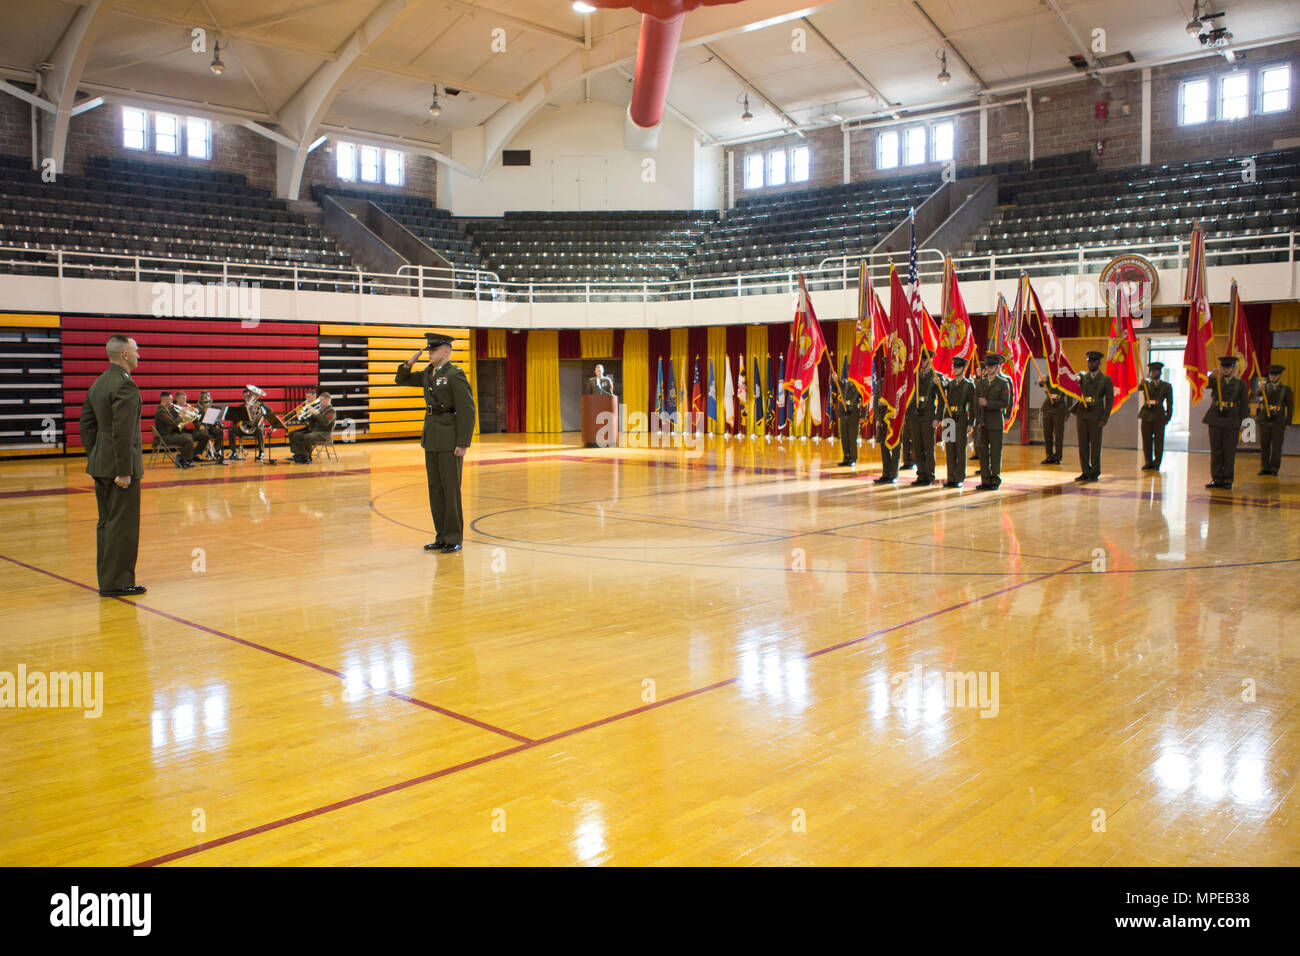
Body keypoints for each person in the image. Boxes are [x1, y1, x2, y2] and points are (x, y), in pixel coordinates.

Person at [395, 333, 476, 552]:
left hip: (450, 438)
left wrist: (463, 442)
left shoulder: (454, 374)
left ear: (447, 350)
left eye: (434, 349)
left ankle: (453, 538)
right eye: (428, 349)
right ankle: (441, 536)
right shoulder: (428, 373)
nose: (429, 352)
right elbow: (401, 379)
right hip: (431, 437)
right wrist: (410, 362)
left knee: (450, 490)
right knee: (435, 490)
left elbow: (467, 410)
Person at [79, 334, 146, 597]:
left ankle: (107, 580)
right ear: (125, 355)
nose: (139, 355)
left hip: (101, 463)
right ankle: (118, 583)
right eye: (136, 350)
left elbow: (86, 425)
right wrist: (123, 470)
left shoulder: (98, 383)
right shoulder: (125, 386)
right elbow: (123, 432)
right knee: (123, 525)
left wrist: (97, 454)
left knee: (106, 522)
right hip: (120, 468)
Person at [1204, 355, 1248, 489]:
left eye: (1229, 367)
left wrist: (1244, 422)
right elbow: (1204, 384)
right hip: (1216, 418)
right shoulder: (1216, 380)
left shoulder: (1240, 384)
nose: (1226, 370)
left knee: (1229, 452)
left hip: (1232, 419)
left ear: (1234, 368)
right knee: (1216, 450)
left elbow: (1244, 405)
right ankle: (1216, 478)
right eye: (1224, 367)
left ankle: (1228, 479)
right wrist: (1211, 375)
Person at [1073, 350, 1114, 483]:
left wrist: (1105, 418)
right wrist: (1076, 379)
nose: (1091, 364)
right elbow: (1073, 388)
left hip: (1096, 415)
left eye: (1093, 361)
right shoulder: (1083, 378)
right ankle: (1085, 471)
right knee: (1083, 445)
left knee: (1095, 445)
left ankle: (1095, 472)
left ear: (1099, 363)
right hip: (1083, 414)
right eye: (1089, 361)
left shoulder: (1105, 379)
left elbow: (1109, 400)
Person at [974, 353, 1011, 490]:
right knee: (983, 452)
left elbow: (1005, 403)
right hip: (982, 422)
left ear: (997, 367)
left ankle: (995, 480)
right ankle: (985, 479)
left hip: (995, 422)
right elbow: (975, 403)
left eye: (992, 366)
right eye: (988, 366)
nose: (988, 369)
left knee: (995, 453)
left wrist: (988, 403)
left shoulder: (1003, 383)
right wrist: (976, 420)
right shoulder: (981, 383)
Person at [907, 350, 942, 485]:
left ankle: (929, 475)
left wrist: (938, 418)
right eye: (921, 359)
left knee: (928, 447)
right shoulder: (916, 375)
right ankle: (920, 474)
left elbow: (942, 399)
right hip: (916, 416)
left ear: (931, 360)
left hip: (928, 416)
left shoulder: (935, 377)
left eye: (925, 360)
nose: (922, 362)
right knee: (917, 446)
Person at [942, 357, 977, 487]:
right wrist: (939, 382)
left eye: (957, 367)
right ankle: (950, 477)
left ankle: (959, 478)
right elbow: (941, 387)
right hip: (949, 419)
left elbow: (972, 406)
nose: (955, 369)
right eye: (954, 367)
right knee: (950, 449)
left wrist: (970, 422)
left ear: (963, 369)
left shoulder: (968, 385)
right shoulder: (950, 384)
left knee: (960, 450)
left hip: (961, 419)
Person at [1257, 364, 1294, 476]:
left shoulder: (1286, 390)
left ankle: (1274, 468)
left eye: (1275, 375)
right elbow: (1258, 400)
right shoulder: (1264, 389)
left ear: (1280, 376)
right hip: (1265, 421)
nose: (1272, 377)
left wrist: (1288, 422)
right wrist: (1259, 392)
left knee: (1277, 446)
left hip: (1278, 421)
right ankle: (1265, 467)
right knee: (1264, 445)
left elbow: (1290, 407)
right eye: (1271, 375)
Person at [1137, 362, 1174, 470]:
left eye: (1156, 371)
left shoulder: (1166, 386)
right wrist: (1141, 383)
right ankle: (1148, 462)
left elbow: (1170, 402)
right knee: (1147, 441)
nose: (1153, 373)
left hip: (1159, 415)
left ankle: (1157, 463)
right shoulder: (1146, 384)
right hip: (1147, 415)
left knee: (1158, 441)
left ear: (1160, 372)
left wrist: (1168, 417)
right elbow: (1139, 388)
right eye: (1152, 371)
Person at [289, 392, 338, 463]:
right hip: (316, 431)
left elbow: (325, 423)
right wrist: (302, 414)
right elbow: (311, 421)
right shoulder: (320, 409)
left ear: (327, 400)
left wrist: (317, 414)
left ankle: (308, 456)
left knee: (307, 437)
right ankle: (300, 455)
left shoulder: (331, 411)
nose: (320, 402)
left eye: (321, 400)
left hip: (324, 433)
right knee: (296, 435)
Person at [153, 391, 196, 469]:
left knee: (189, 436)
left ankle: (184, 459)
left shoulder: (166, 409)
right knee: (188, 439)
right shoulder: (161, 412)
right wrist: (180, 415)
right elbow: (173, 424)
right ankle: (183, 461)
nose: (172, 401)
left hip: (170, 434)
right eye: (171, 400)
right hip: (165, 437)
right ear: (165, 400)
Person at [1039, 374, 1069, 465]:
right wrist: (1042, 381)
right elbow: (1041, 384)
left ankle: (1058, 457)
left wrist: (1067, 413)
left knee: (1059, 435)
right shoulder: (1049, 376)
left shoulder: (1065, 377)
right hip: (1048, 407)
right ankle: (1049, 455)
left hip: (1059, 408)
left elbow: (1069, 396)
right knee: (1047, 433)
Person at [192, 390, 227, 462]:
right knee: (205, 435)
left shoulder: (213, 407)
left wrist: (217, 424)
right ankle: (197, 454)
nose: (206, 399)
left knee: (220, 432)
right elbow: (194, 420)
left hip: (211, 427)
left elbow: (217, 418)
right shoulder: (196, 408)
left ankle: (215, 451)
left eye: (208, 396)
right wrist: (200, 425)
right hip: (200, 429)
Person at [836, 379, 863, 468]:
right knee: (844, 437)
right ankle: (846, 457)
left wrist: (863, 416)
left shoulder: (860, 384)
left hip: (854, 413)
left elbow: (864, 401)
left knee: (852, 437)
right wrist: (835, 378)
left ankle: (853, 458)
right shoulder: (846, 383)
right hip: (844, 413)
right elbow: (840, 383)